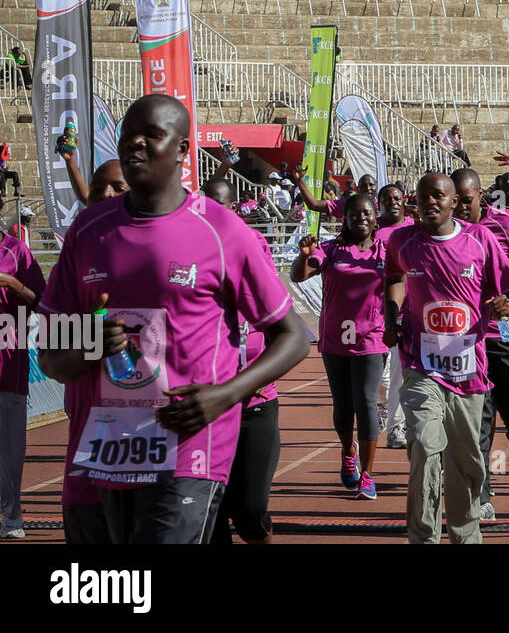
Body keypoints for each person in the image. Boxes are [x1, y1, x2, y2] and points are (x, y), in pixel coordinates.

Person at [37, 94, 308, 544]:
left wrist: (227, 394)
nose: (135, 145)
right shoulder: (87, 233)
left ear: (183, 149)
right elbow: (50, 359)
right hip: (100, 452)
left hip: (186, 447)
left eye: (152, 136)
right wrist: (89, 342)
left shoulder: (222, 231)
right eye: (128, 136)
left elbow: (293, 336)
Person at [384, 172, 509, 544]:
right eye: (424, 196)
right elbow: (394, 277)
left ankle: (466, 535)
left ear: (453, 203)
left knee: (465, 464)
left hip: (468, 371)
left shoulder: (480, 241)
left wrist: (507, 305)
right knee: (426, 447)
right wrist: (391, 316)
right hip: (420, 365)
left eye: (438, 197)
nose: (431, 202)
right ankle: (423, 536)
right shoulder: (402, 240)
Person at [450, 168, 509, 519]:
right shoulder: (446, 234)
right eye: (454, 201)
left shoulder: (507, 226)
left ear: (480, 196)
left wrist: (504, 272)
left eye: (466, 200)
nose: (459, 207)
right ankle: (483, 492)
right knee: (479, 417)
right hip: (468, 340)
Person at [203, 178, 284, 545]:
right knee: (211, 515)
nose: (216, 214)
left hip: (254, 401)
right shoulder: (192, 251)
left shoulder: (254, 246)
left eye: (224, 206)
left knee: (250, 512)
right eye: (209, 205)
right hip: (208, 405)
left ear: (236, 209)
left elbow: (285, 330)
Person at [292, 194, 388, 502]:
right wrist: (303, 255)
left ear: (376, 219)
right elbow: (300, 275)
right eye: (355, 214)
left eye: (367, 214)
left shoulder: (385, 251)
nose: (361, 218)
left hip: (372, 338)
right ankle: (348, 450)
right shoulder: (331, 250)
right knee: (343, 405)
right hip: (335, 339)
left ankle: (368, 474)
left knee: (366, 402)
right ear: (344, 219)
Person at [55, 159, 127, 544]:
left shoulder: (175, 243)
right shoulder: (79, 246)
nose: (105, 196)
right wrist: (87, 331)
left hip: (158, 449)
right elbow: (53, 354)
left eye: (117, 187)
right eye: (99, 189)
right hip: (89, 441)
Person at [0, 218, 46, 539]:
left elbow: (45, 303)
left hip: (9, 368)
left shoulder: (16, 251)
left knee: (10, 452)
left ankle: (12, 516)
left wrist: (14, 285)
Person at [373, 183, 415, 449]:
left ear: (404, 200)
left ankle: (396, 428)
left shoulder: (414, 228)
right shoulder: (373, 230)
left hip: (404, 311)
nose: (392, 202)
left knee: (398, 374)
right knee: (380, 376)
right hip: (374, 310)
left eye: (397, 198)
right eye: (386, 199)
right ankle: (383, 406)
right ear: (379, 202)